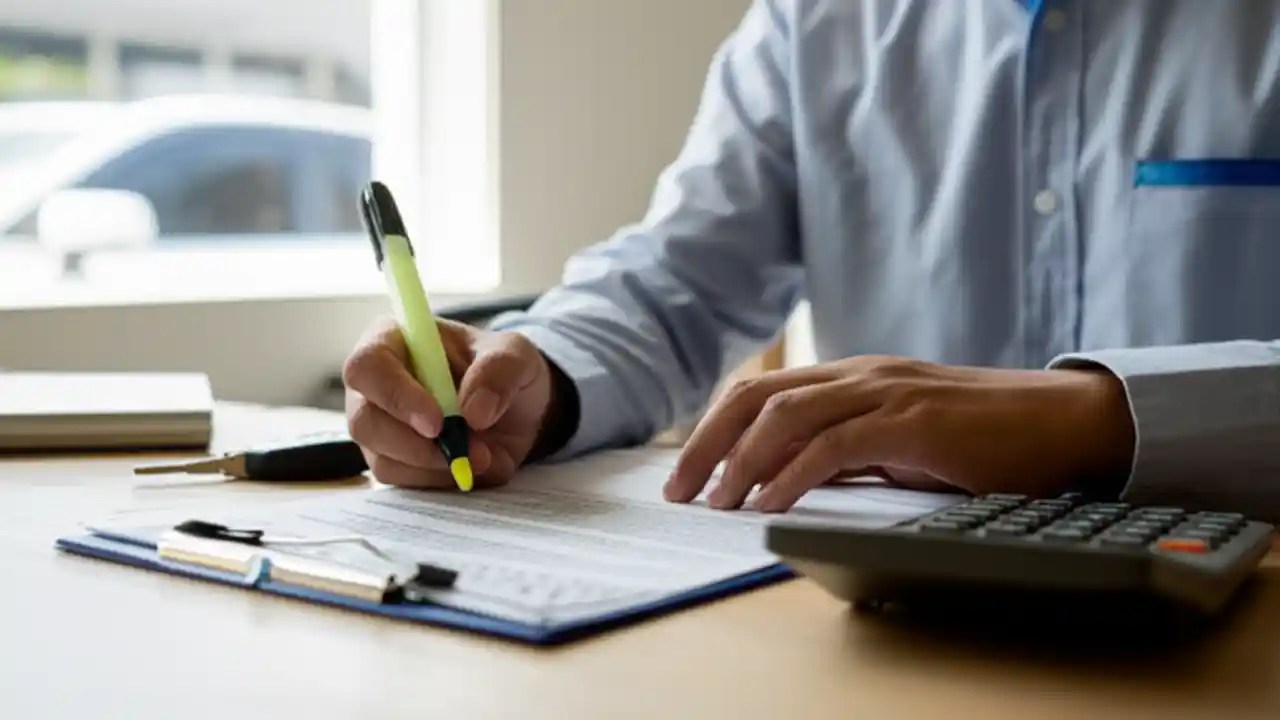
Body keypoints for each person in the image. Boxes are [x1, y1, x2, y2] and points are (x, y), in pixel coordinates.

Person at [343, 1, 1280, 519]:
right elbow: (675, 284)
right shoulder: (816, 22)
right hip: (880, 611)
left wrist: (1099, 419)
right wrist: (536, 381)